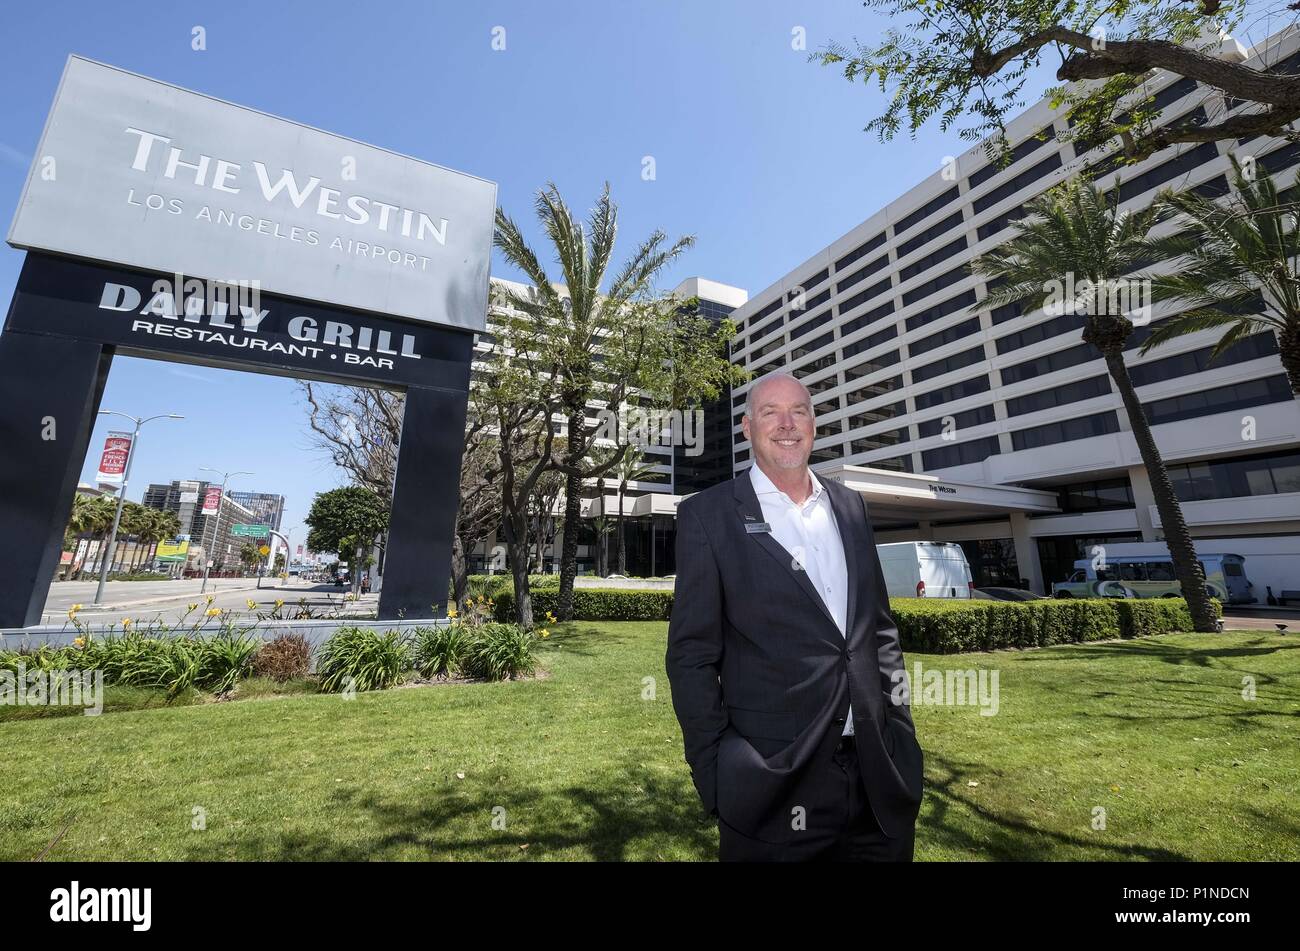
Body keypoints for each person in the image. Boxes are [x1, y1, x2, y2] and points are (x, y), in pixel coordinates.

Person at [665, 370, 924, 861]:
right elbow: (691, 657)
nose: (787, 424)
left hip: (878, 779)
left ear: (813, 424)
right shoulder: (708, 515)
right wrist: (716, 769)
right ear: (746, 428)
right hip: (771, 787)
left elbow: (880, 631)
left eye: (798, 411)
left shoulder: (850, 507)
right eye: (770, 412)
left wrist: (901, 732)